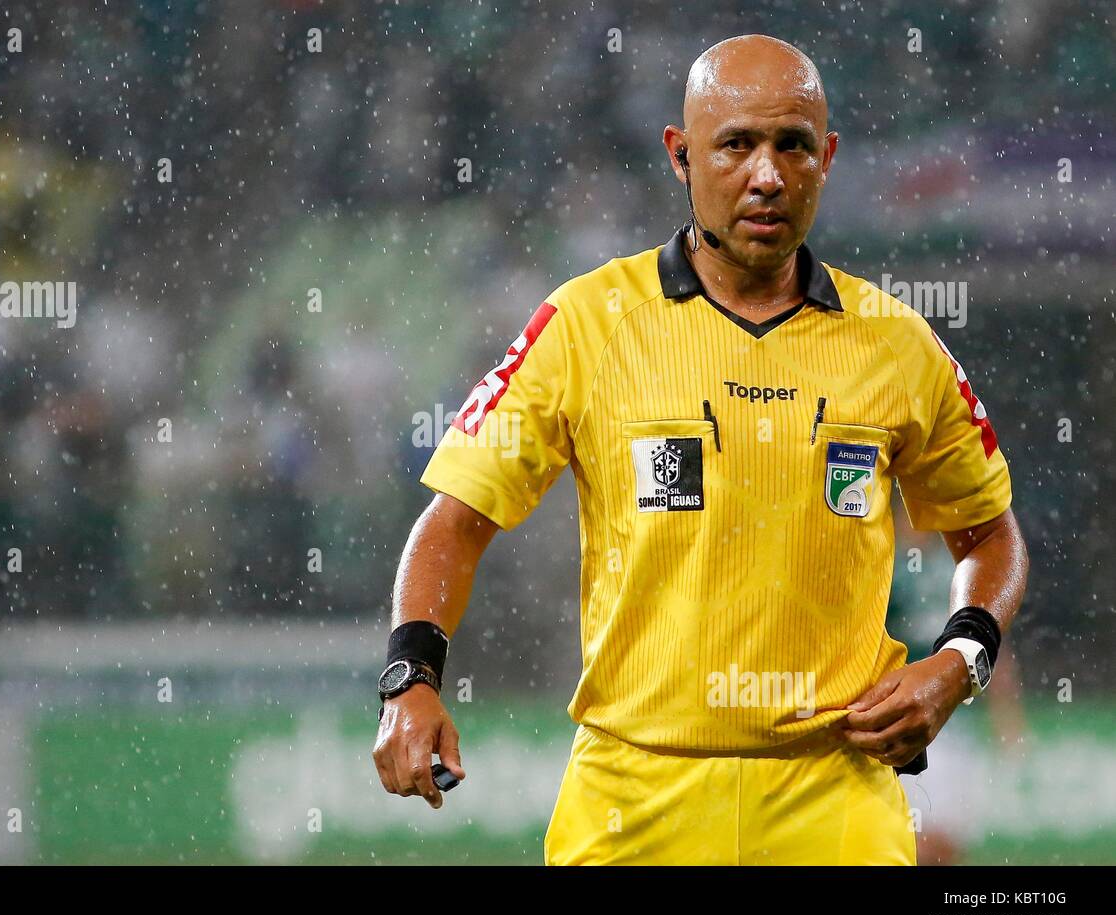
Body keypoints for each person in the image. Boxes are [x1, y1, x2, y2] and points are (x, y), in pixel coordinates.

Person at [372, 34, 1029, 865]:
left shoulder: (898, 345)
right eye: (737, 145)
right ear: (680, 156)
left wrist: (960, 659)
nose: (767, 175)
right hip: (633, 802)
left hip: (836, 799)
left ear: (825, 158)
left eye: (792, 146)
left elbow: (988, 533)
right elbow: (456, 521)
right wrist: (411, 678)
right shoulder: (586, 325)